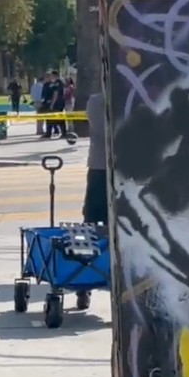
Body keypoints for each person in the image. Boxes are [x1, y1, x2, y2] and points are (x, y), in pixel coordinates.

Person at [77, 91, 107, 304]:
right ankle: (83, 283)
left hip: (131, 171)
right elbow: (103, 132)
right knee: (91, 224)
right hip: (101, 169)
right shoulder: (97, 101)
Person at [43, 70, 66, 138]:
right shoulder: (56, 83)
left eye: (52, 76)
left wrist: (52, 104)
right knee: (51, 118)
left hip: (58, 103)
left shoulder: (58, 83)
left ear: (55, 76)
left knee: (59, 118)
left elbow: (55, 94)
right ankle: (49, 133)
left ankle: (63, 132)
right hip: (57, 103)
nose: (51, 77)